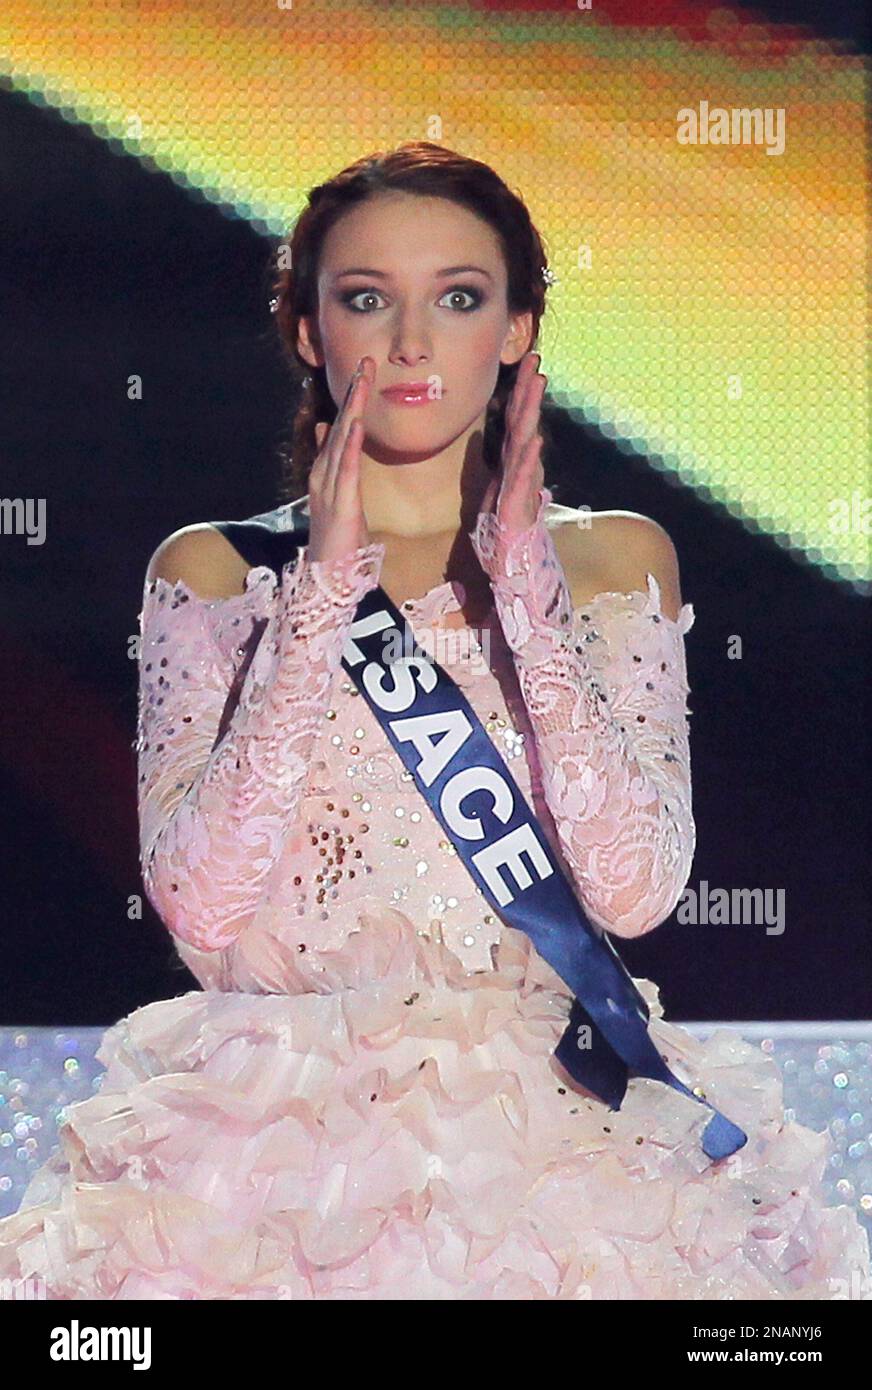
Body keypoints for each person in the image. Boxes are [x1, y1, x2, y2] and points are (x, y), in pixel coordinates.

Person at [0, 142, 868, 1300]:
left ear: (515, 329)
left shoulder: (612, 558)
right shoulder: (215, 571)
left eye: (457, 298)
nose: (410, 343)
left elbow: (633, 890)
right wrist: (317, 597)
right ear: (309, 330)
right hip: (271, 1153)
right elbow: (201, 912)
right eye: (367, 299)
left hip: (562, 1135)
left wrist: (526, 598)